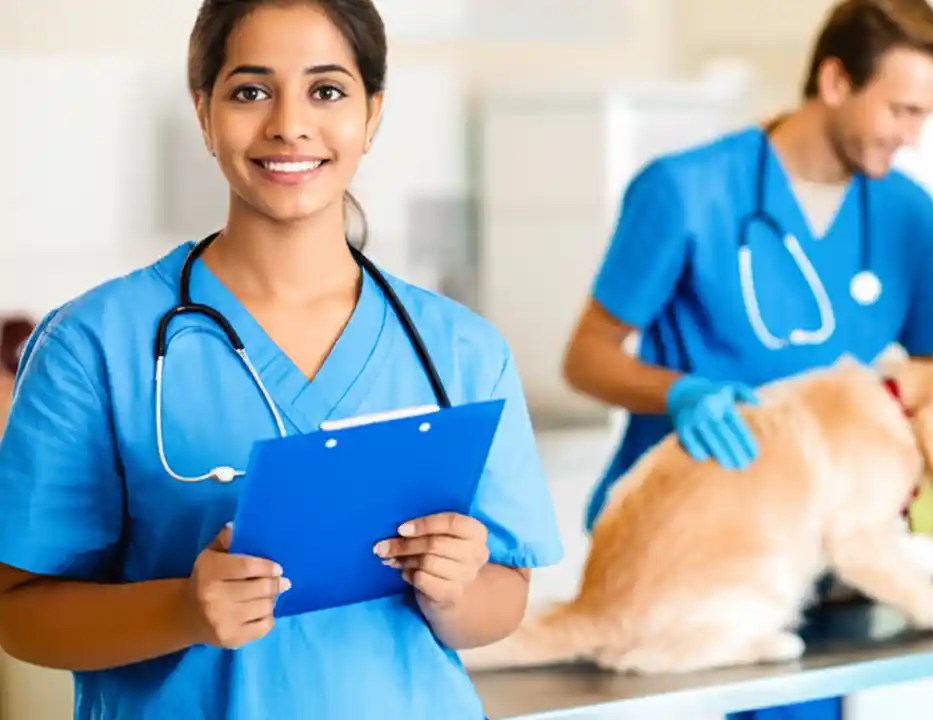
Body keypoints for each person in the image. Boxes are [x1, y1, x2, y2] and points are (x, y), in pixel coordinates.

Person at [0, 1, 562, 718]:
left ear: (373, 113)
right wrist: (182, 612)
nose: (289, 124)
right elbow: (18, 612)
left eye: (326, 90)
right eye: (250, 91)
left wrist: (455, 591)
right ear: (204, 112)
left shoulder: (462, 349)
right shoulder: (93, 345)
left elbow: (504, 598)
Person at [562, 2, 933, 719]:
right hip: (685, 555)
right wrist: (682, 392)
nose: (913, 137)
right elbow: (585, 359)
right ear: (836, 81)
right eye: (901, 111)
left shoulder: (907, 213)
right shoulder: (685, 190)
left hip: (814, 560)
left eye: (926, 117)